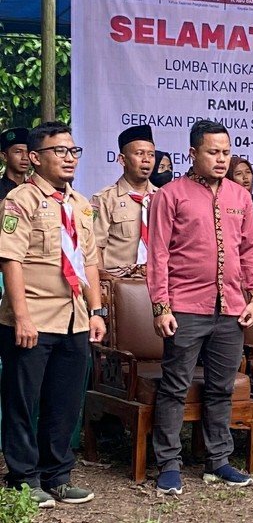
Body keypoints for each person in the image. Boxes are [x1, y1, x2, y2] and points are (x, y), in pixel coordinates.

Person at [147, 120, 253, 495]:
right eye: (213, 152)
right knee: (175, 388)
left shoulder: (240, 197)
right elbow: (158, 255)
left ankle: (218, 461)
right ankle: (169, 464)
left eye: (226, 152)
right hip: (184, 306)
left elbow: (250, 251)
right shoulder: (170, 195)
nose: (221, 159)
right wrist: (161, 306)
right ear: (193, 153)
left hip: (231, 308)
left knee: (221, 388)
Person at [0, 121, 106, 508]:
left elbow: (89, 262)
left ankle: (57, 476)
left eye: (73, 151)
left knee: (63, 402)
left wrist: (96, 311)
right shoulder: (20, 200)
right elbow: (10, 260)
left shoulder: (81, 204)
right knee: (23, 401)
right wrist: (22, 317)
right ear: (35, 157)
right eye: (59, 151)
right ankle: (23, 478)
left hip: (74, 318)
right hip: (33, 317)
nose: (69, 158)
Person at [91, 125, 157, 271]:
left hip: (155, 280)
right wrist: (102, 281)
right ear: (122, 159)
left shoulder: (162, 198)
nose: (146, 159)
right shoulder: (105, 199)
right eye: (139, 153)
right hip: (118, 279)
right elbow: (94, 247)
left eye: (151, 154)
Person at [226, 156, 253, 262]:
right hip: (234, 266)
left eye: (248, 172)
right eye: (238, 174)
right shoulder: (224, 205)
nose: (245, 177)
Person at [0, 127, 29, 200]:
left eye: (28, 152)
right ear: (4, 156)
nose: (25, 157)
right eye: (18, 152)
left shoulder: (35, 190)